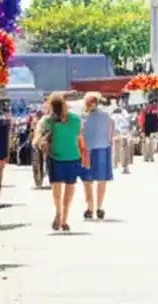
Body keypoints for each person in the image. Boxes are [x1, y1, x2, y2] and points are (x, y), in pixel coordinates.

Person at [42, 93, 84, 232]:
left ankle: (60, 215)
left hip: (57, 158)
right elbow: (79, 138)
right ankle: (63, 218)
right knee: (68, 191)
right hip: (72, 158)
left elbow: (41, 136)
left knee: (57, 192)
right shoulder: (76, 120)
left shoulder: (48, 121)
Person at [79, 92, 115, 220]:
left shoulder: (83, 117)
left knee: (87, 181)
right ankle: (99, 207)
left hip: (87, 150)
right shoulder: (107, 116)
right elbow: (112, 132)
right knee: (101, 180)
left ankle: (90, 208)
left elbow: (80, 134)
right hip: (103, 149)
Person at [32, 100, 51, 187]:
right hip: (40, 140)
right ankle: (39, 179)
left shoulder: (45, 118)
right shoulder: (41, 118)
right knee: (39, 160)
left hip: (44, 140)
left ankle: (40, 179)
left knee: (43, 160)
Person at [112, 104, 133, 174]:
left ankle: (114, 164)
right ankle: (124, 167)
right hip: (123, 133)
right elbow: (128, 122)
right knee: (123, 149)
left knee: (115, 148)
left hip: (115, 133)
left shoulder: (112, 115)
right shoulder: (124, 113)